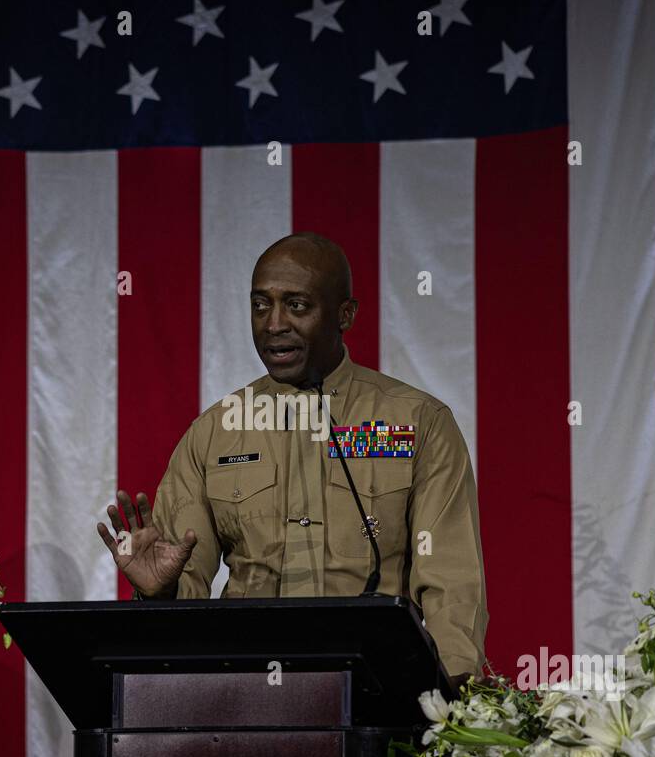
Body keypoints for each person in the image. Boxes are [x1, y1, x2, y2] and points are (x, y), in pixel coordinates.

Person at [96, 233, 488, 680]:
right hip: (245, 689)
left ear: (345, 315)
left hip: (379, 685)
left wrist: (450, 704)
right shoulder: (214, 433)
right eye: (260, 305)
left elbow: (452, 583)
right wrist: (160, 596)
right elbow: (184, 589)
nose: (273, 324)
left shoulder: (418, 422)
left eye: (296, 306)